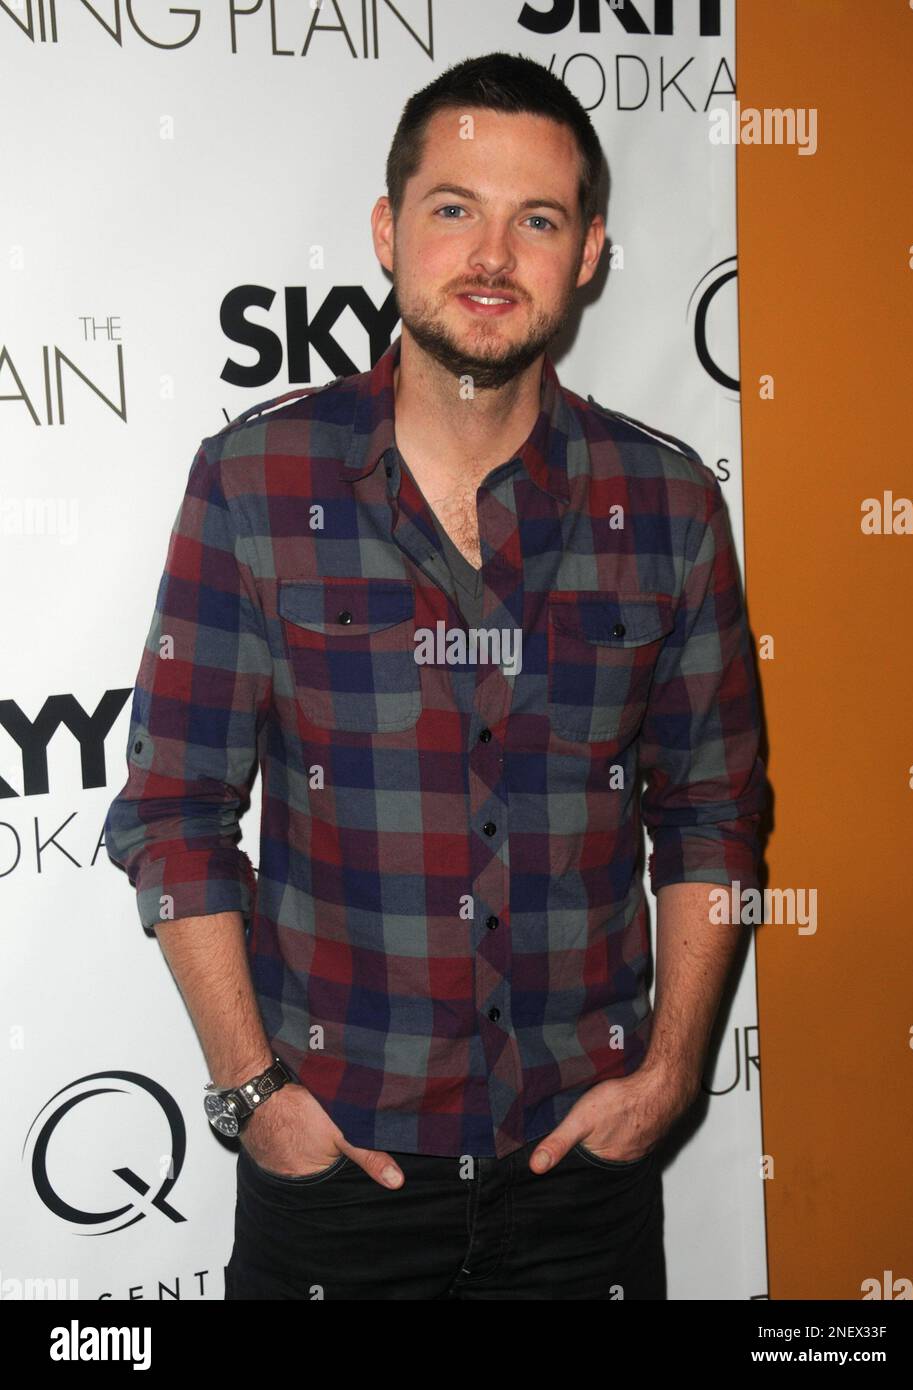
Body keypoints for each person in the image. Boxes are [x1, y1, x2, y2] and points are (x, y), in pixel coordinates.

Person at [104, 51, 766, 1301]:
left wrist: (673, 1072)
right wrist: (259, 1098)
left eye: (538, 219)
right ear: (387, 230)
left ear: (588, 254)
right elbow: (175, 813)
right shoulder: (256, 482)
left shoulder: (668, 501)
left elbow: (713, 818)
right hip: (334, 1173)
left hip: (585, 1176)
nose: (491, 255)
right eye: (454, 207)